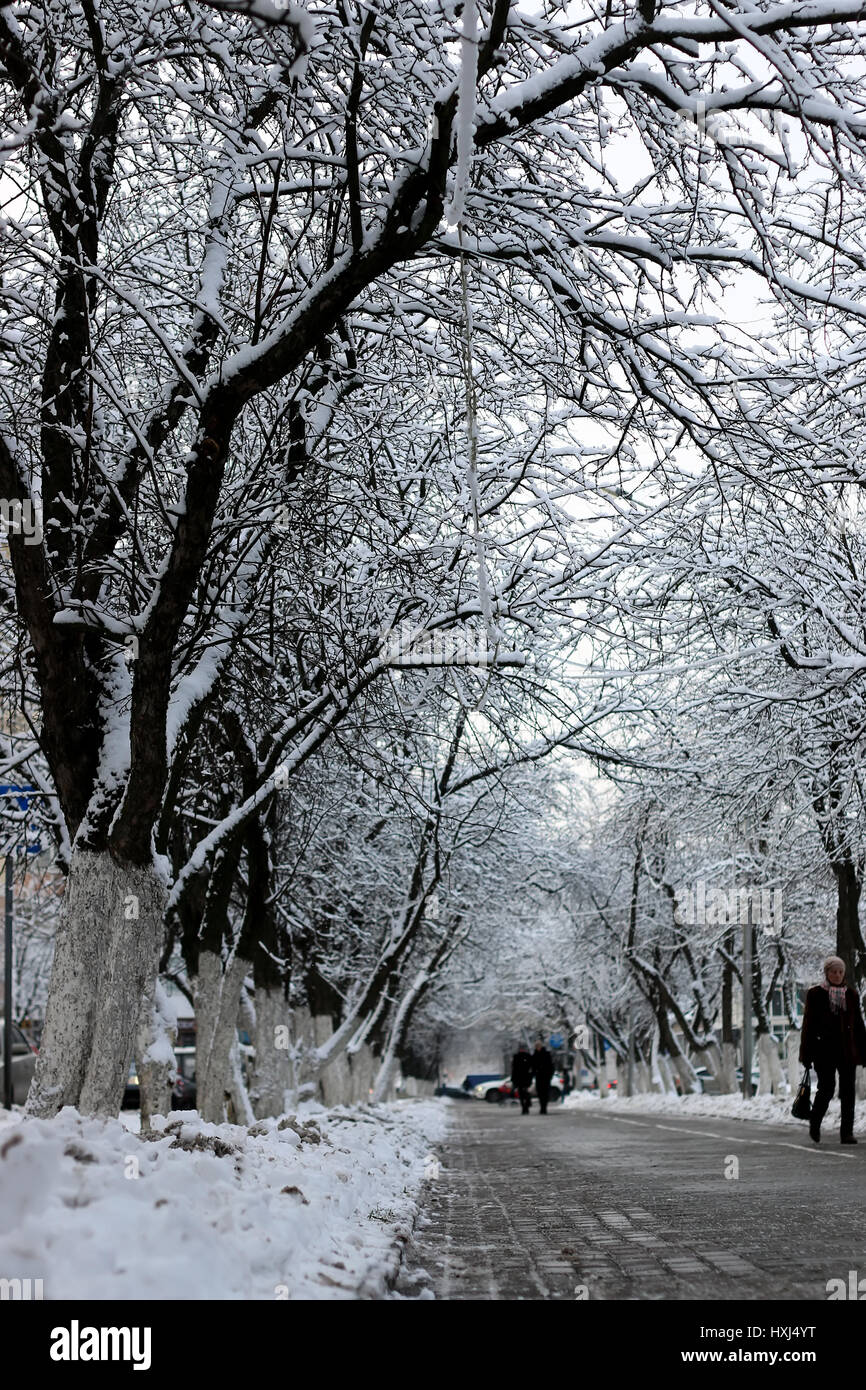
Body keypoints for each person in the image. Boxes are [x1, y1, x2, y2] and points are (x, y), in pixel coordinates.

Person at [799, 954, 866, 1145]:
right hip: (824, 1052)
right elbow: (808, 1025)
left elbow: (859, 1025)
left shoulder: (851, 995)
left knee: (848, 1092)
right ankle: (815, 1121)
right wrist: (806, 1054)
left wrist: (863, 1051)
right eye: (833, 972)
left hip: (847, 1052)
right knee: (826, 1089)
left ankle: (847, 1133)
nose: (837, 975)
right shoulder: (815, 994)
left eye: (840, 972)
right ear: (826, 973)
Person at [532, 1039, 554, 1115]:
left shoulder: (546, 1054)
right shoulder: (534, 1055)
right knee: (540, 1093)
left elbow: (551, 1066)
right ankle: (542, 1107)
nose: (537, 1047)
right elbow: (533, 1066)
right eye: (536, 1046)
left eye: (538, 1046)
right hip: (539, 1077)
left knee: (545, 1093)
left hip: (546, 1077)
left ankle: (544, 1107)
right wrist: (534, 1073)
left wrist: (550, 1075)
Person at [511, 1044, 533, 1114]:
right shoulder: (518, 1057)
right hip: (521, 1078)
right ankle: (524, 1107)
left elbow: (530, 1068)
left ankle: (525, 1107)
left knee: (524, 1094)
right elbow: (514, 1069)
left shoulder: (526, 1057)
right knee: (523, 1094)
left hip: (523, 1078)